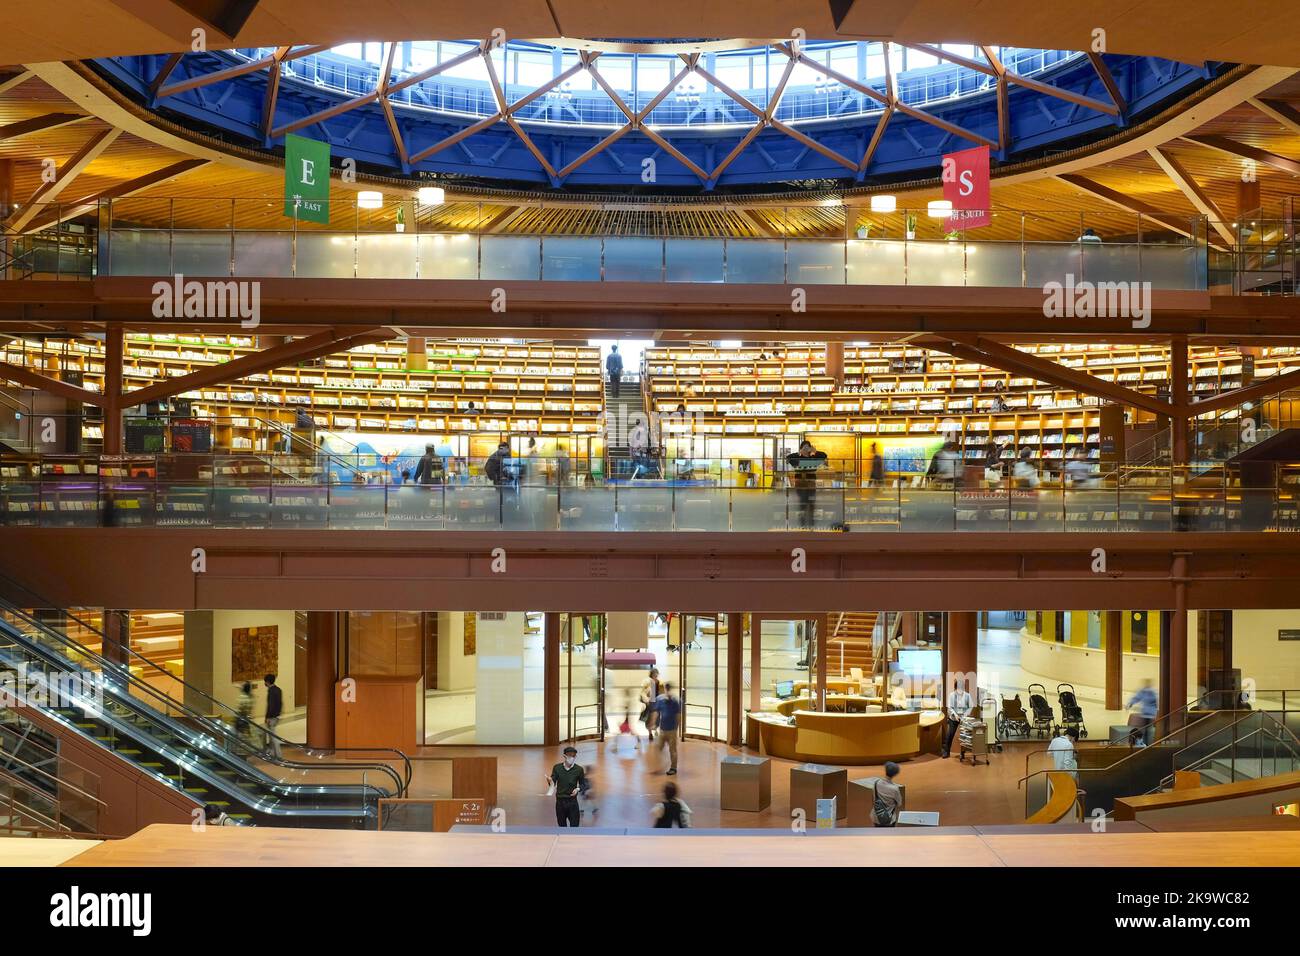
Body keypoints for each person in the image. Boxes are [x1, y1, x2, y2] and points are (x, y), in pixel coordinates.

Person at [785, 440, 828, 529]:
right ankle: (802, 524)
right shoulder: (797, 458)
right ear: (800, 448)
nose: (805, 449)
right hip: (800, 484)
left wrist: (815, 451)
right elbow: (788, 457)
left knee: (812, 503)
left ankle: (812, 524)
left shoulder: (813, 457)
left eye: (807, 447)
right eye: (804, 447)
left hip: (811, 483)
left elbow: (824, 455)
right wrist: (799, 453)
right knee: (802, 503)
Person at [545, 745, 585, 827]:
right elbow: (553, 782)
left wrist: (577, 789)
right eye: (570, 755)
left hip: (572, 802)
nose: (572, 757)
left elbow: (583, 784)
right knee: (562, 826)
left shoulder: (579, 769)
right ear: (564, 756)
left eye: (573, 756)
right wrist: (550, 781)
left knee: (574, 827)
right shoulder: (557, 768)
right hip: (560, 802)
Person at [654, 682, 682, 775]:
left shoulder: (675, 701)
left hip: (672, 730)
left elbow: (678, 715)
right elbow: (657, 713)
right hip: (662, 729)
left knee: (672, 750)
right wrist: (654, 724)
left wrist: (676, 728)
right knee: (659, 747)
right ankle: (664, 762)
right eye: (667, 689)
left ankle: (673, 768)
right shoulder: (660, 699)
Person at [942, 677, 973, 758]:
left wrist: (965, 715)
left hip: (964, 718)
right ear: (955, 688)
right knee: (950, 734)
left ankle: (963, 753)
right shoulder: (952, 695)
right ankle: (946, 751)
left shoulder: (967, 695)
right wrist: (955, 715)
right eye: (958, 688)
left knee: (965, 735)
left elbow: (970, 706)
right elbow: (949, 707)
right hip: (953, 718)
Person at [1128, 679, 1158, 747]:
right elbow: (1137, 698)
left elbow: (1137, 698)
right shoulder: (1145, 691)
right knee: (1145, 730)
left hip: (1150, 714)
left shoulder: (1150, 691)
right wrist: (1131, 703)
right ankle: (1144, 743)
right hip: (1146, 714)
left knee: (1147, 730)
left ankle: (1146, 744)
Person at [872, 761, 903, 827]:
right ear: (895, 774)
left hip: (876, 817)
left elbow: (874, 798)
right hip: (889, 819)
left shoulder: (876, 782)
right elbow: (899, 803)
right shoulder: (894, 788)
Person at [639, 667, 663, 742]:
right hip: (650, 702)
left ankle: (655, 729)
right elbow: (642, 692)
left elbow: (662, 692)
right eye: (654, 674)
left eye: (656, 674)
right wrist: (646, 700)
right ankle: (650, 733)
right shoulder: (646, 681)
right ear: (651, 674)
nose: (655, 676)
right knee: (649, 718)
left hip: (657, 702)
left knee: (657, 718)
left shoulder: (659, 682)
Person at [263, 673, 282, 760]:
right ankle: (271, 752)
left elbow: (270, 705)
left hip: (271, 717)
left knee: (273, 736)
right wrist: (278, 714)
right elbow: (280, 703)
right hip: (277, 716)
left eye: (265, 682)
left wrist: (267, 717)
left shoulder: (271, 691)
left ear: (267, 682)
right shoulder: (278, 689)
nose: (265, 683)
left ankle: (278, 755)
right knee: (271, 735)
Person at [235, 680, 254, 746]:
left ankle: (240, 750)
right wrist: (239, 687)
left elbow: (240, 708)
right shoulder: (251, 696)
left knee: (240, 736)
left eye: (242, 685)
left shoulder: (242, 697)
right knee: (246, 735)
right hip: (247, 718)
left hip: (241, 718)